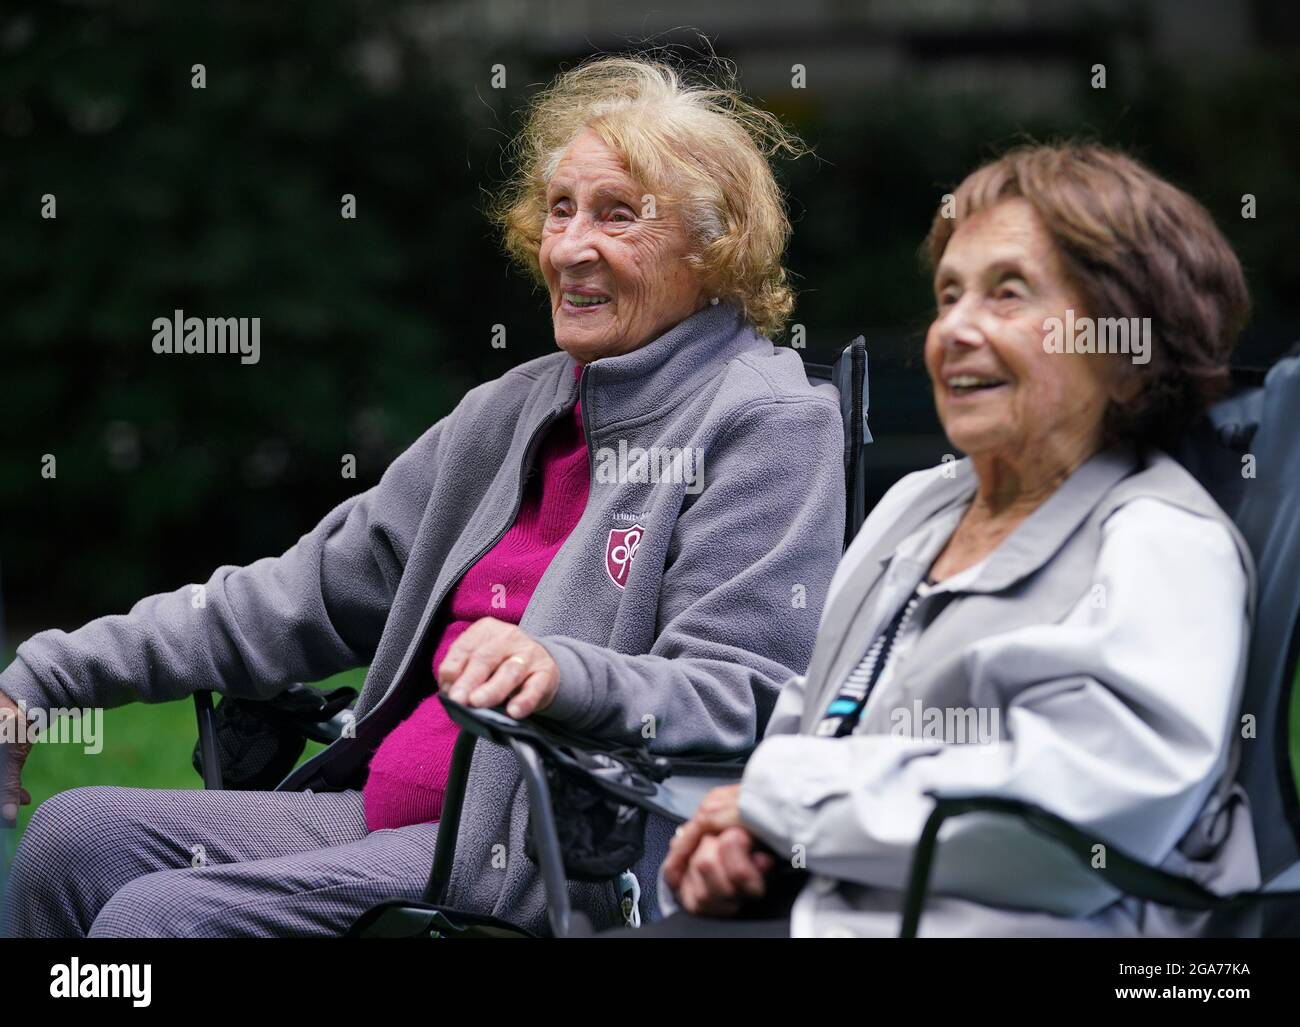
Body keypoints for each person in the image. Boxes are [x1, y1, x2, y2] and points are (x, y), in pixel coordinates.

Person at [0, 56, 845, 938]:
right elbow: (297, 596)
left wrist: (562, 671)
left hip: (545, 858)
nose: (570, 245)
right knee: (72, 837)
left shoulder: (767, 420)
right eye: (561, 209)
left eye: (618, 214)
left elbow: (742, 692)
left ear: (714, 248)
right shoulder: (513, 409)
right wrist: (46, 678)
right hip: (384, 812)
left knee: (159, 919)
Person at [649, 142, 1257, 938]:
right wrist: (744, 840)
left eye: (1008, 294)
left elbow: (1083, 816)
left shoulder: (1159, 543)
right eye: (948, 296)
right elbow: (811, 724)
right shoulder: (919, 507)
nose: (955, 331)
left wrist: (789, 805)